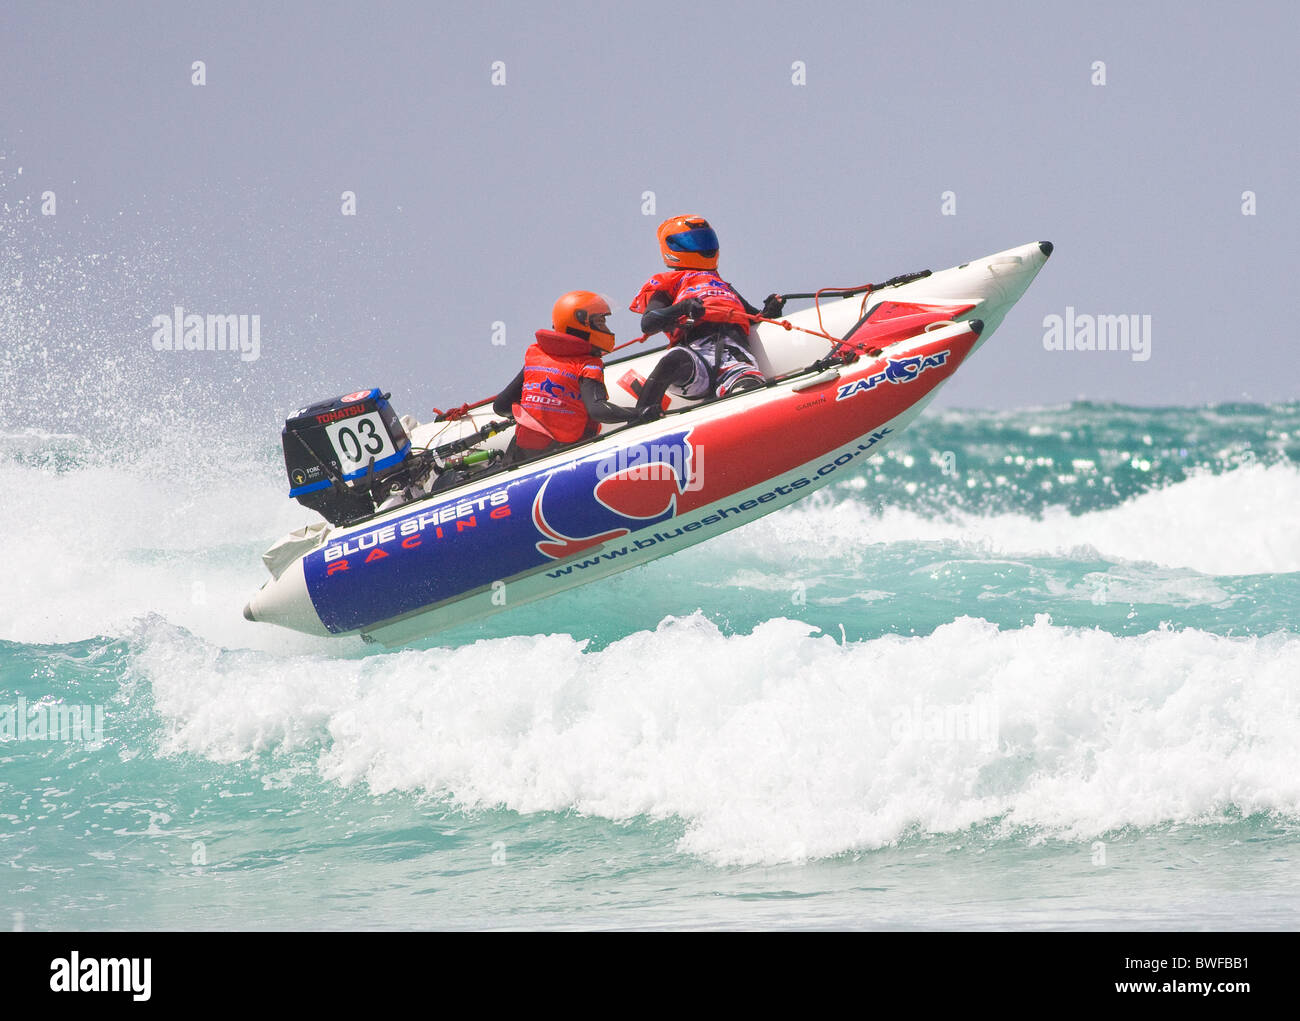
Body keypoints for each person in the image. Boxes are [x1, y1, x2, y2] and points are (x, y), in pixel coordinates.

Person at [629, 215, 785, 416]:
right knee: (673, 359)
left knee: (747, 387)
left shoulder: (721, 284)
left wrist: (771, 310)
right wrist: (682, 308)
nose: (704, 247)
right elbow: (648, 323)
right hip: (693, 359)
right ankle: (641, 417)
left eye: (706, 240)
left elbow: (754, 317)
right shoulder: (669, 283)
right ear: (673, 248)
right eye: (694, 241)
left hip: (734, 357)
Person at [493, 291, 642, 464]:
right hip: (564, 459)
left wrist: (541, 409)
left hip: (517, 458)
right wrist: (640, 413)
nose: (607, 330)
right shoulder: (588, 365)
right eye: (601, 322)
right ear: (582, 325)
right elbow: (598, 410)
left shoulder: (537, 355)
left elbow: (501, 406)